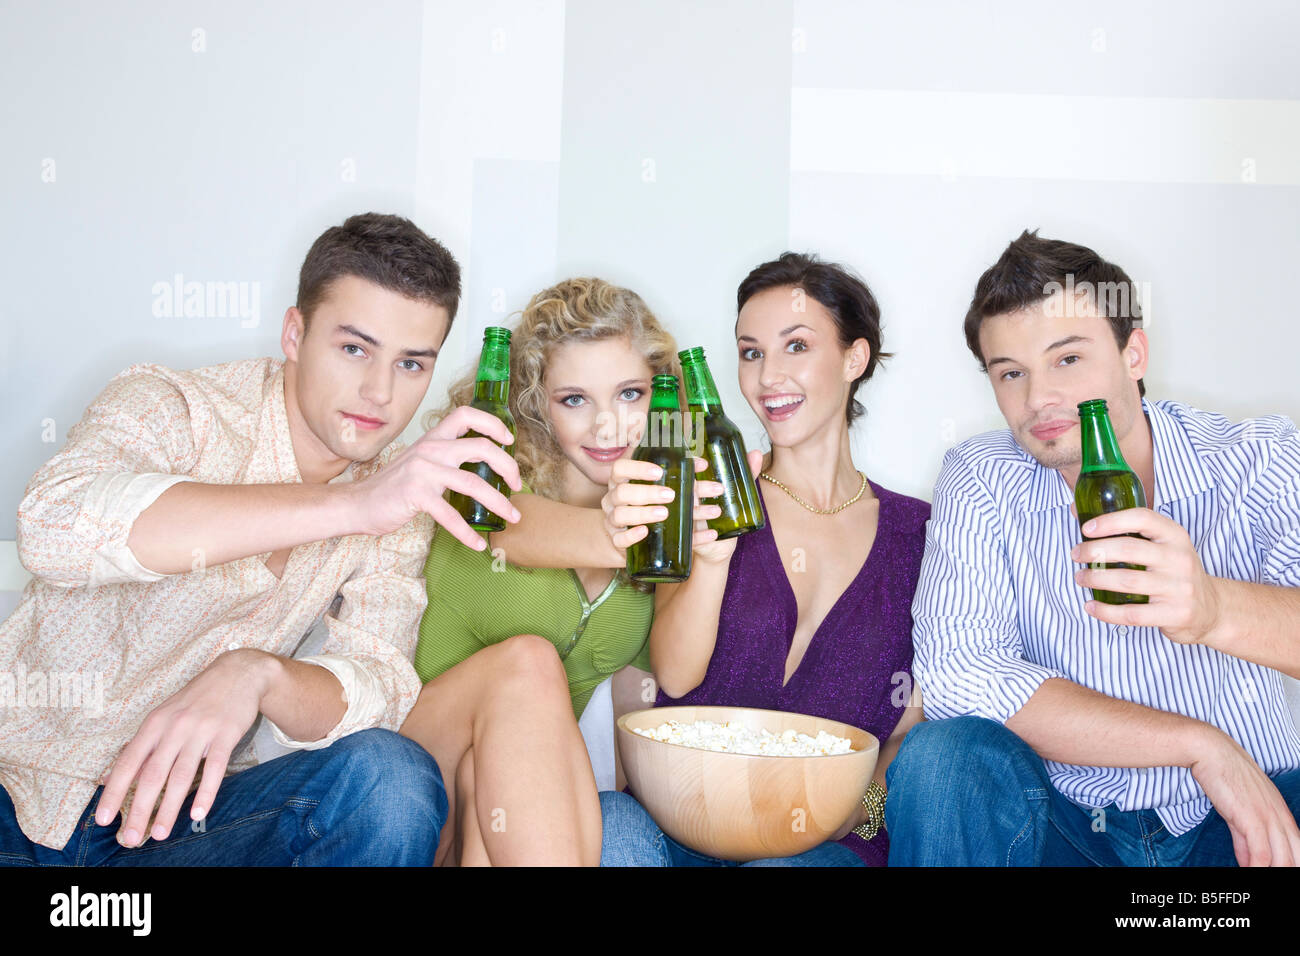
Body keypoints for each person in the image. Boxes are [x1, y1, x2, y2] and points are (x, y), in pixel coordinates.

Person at [0, 212, 530, 866]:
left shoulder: (396, 501)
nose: (380, 392)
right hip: (20, 791)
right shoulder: (176, 407)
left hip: (179, 827)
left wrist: (260, 675)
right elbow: (52, 526)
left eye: (412, 363)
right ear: (294, 332)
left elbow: (380, 684)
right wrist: (349, 506)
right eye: (354, 348)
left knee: (390, 782)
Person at [886, 230, 1300, 867]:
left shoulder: (1261, 458)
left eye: (1068, 359)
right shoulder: (981, 475)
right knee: (943, 758)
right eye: (1011, 373)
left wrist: (1216, 609)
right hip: (1067, 828)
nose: (1038, 398)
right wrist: (1199, 745)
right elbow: (960, 676)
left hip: (1249, 819)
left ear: (1133, 352)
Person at [598, 252, 929, 867]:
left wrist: (858, 812)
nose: (767, 376)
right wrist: (713, 557)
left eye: (795, 346)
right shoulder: (706, 491)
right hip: (681, 824)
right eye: (751, 353)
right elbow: (673, 676)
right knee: (609, 825)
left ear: (854, 359)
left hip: (819, 841)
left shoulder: (921, 532)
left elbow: (912, 719)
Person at [398, 277, 687, 865]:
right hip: (416, 781)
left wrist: (706, 554)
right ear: (536, 401)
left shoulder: (654, 537)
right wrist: (626, 533)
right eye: (574, 399)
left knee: (608, 818)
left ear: (657, 397)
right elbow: (511, 526)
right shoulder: (487, 476)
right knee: (528, 663)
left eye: (629, 394)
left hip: (506, 814)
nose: (608, 427)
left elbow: (651, 699)